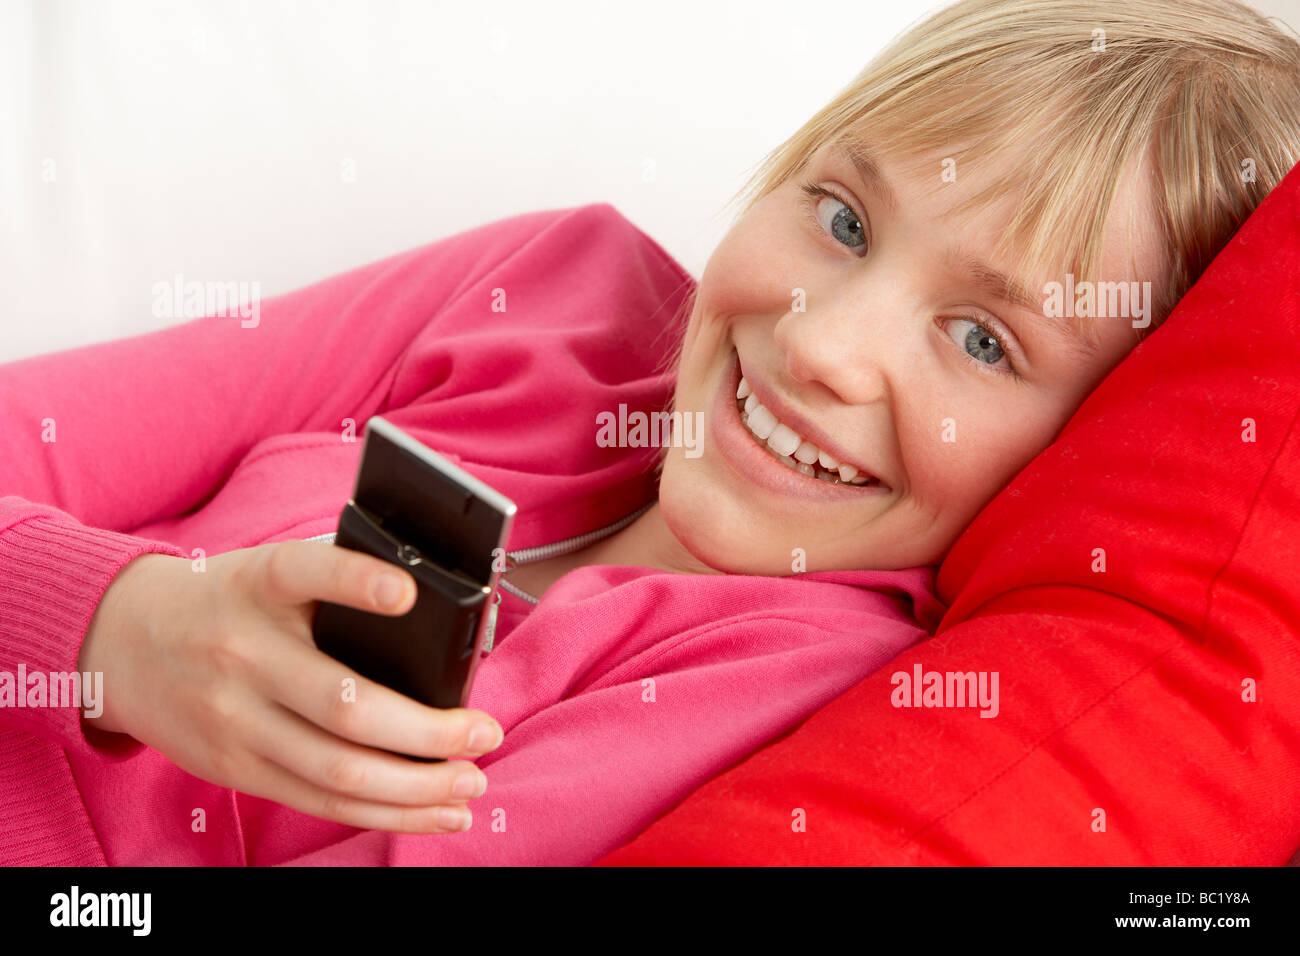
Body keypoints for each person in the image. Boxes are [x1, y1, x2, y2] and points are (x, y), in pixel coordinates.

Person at [2, 0, 1298, 865]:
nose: (821, 341)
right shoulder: (552, 285)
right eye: (842, 219)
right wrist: (116, 625)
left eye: (982, 342)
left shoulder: (801, 683)